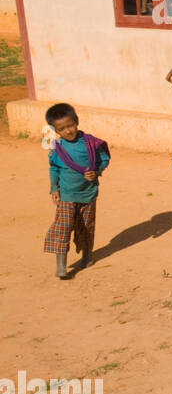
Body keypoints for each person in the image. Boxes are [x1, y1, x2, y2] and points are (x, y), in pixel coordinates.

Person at [43, 103, 110, 279]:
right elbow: (53, 168)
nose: (68, 131)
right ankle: (61, 266)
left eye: (70, 125)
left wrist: (97, 171)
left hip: (88, 193)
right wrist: (54, 188)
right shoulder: (56, 147)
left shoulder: (91, 142)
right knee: (62, 227)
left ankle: (87, 255)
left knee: (86, 227)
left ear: (77, 121)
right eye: (62, 129)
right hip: (66, 195)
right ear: (55, 130)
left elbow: (104, 158)